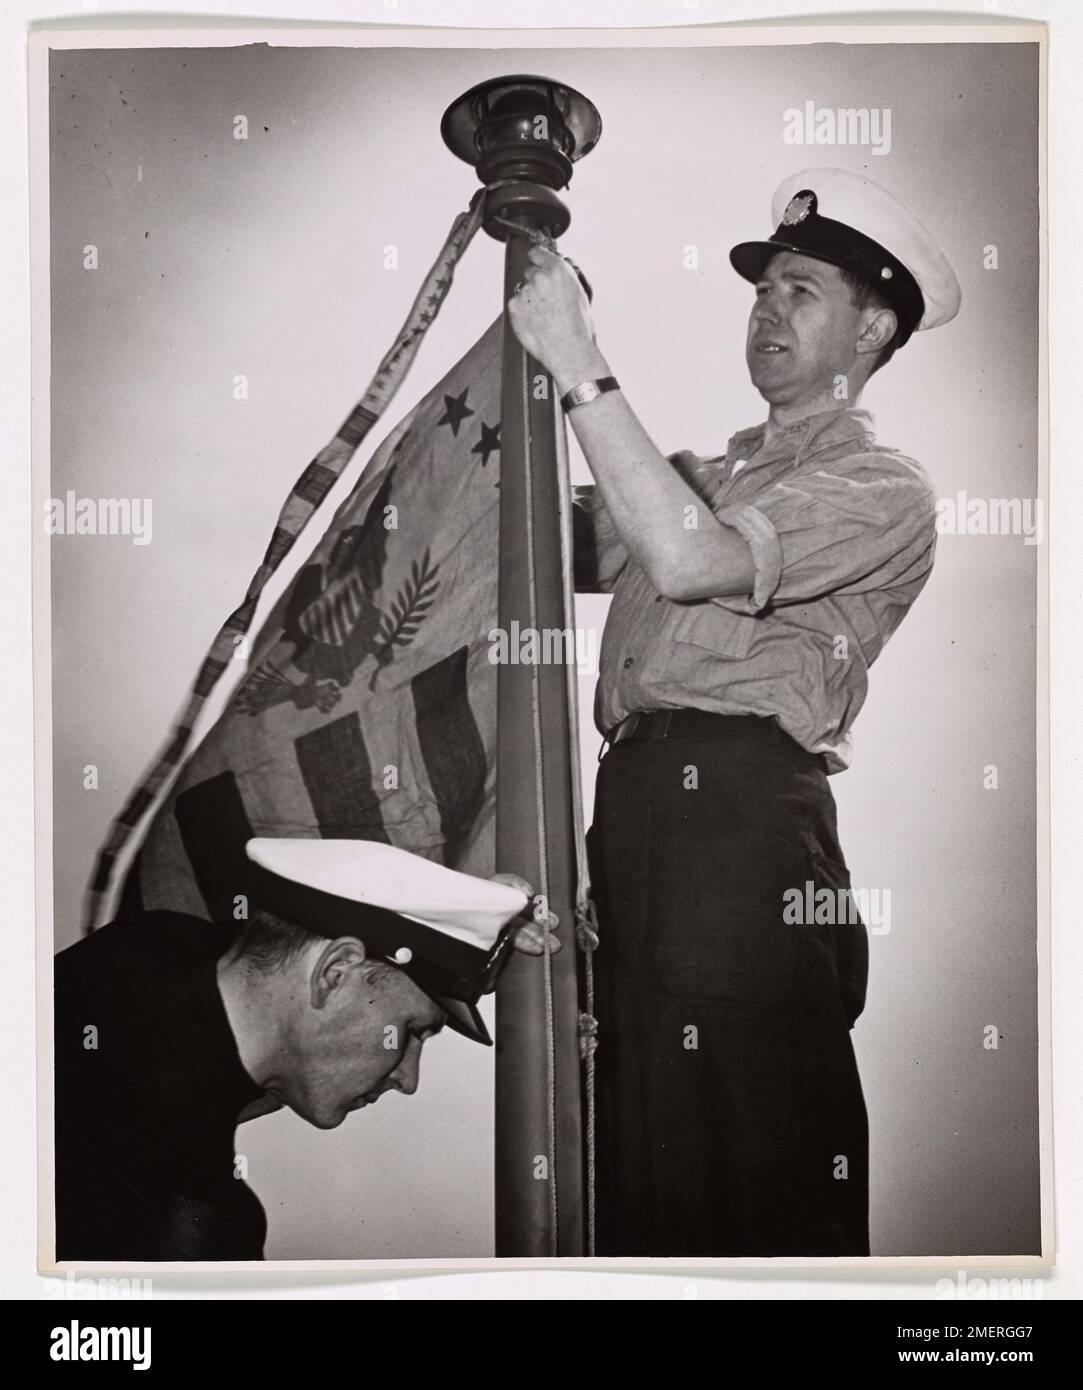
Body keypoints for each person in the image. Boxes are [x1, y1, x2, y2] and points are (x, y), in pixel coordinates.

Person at [507, 166, 961, 1255]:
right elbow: (517, 540)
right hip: (635, 822)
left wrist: (576, 359)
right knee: (636, 1179)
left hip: (742, 826)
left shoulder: (881, 483)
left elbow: (687, 555)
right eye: (764, 289)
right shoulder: (703, 471)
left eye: (802, 291)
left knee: (743, 1166)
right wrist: (513, 380)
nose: (768, 308)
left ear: (874, 329)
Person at [54, 776, 557, 1261]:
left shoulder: (153, 946)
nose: (408, 1079)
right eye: (409, 1033)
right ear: (335, 972)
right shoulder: (187, 1222)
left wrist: (458, 919)